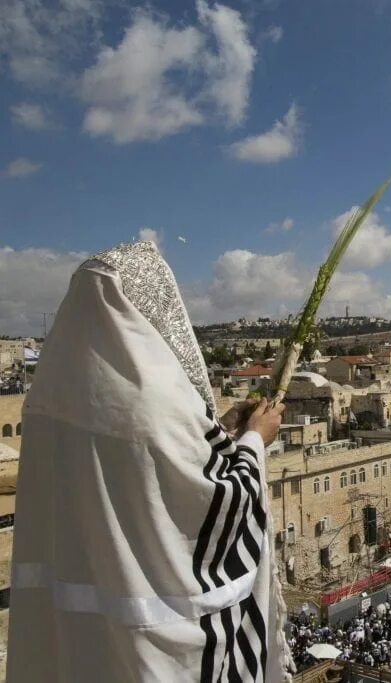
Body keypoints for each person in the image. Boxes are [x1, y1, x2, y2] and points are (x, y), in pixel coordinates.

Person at [7, 241, 293, 682]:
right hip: (155, 640)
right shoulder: (156, 398)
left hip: (81, 625)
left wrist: (222, 432)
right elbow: (212, 498)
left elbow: (146, 465)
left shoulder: (44, 400)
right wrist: (255, 440)